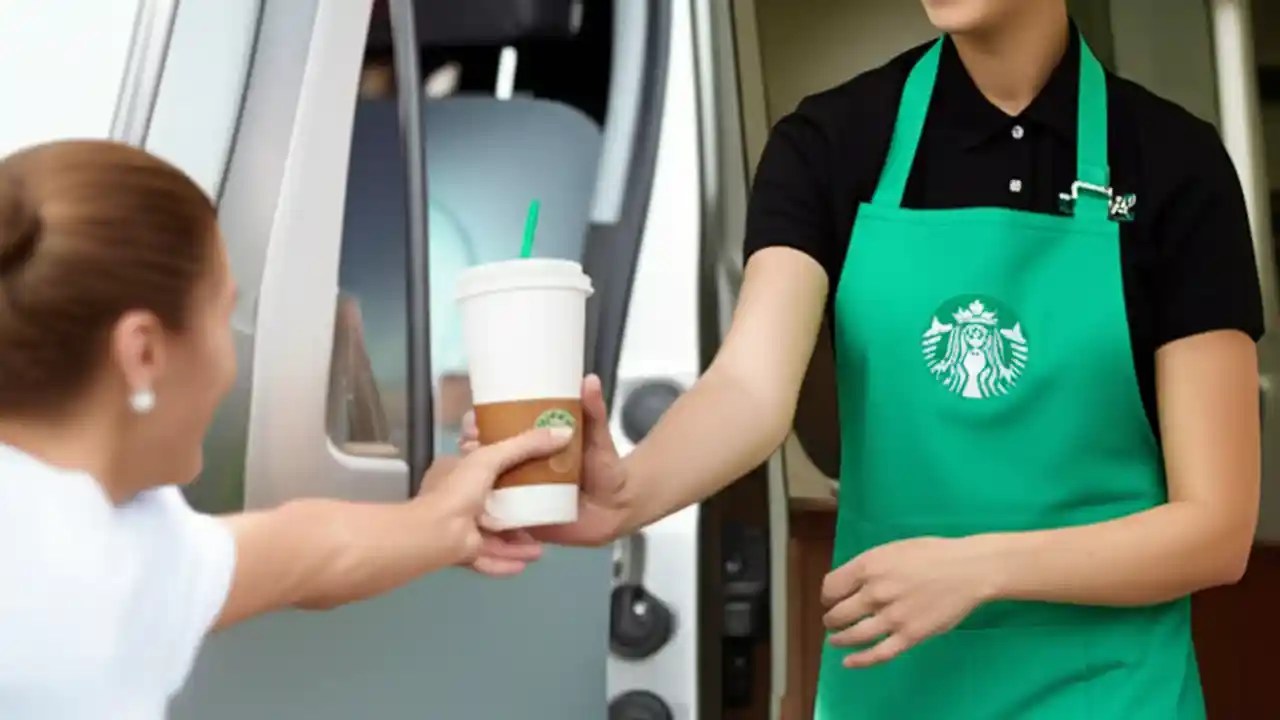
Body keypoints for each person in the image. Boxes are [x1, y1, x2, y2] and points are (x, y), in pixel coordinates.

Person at [466, 0, 1264, 717]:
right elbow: (749, 386)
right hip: (894, 683)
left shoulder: (1172, 166)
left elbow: (1216, 530)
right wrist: (631, 493)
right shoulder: (833, 144)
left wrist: (977, 569)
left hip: (1110, 695)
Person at [0, 139, 570, 719]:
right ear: (143, 352)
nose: (231, 359)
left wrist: (442, 519)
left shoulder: (118, 541)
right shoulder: (87, 581)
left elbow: (308, 549)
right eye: (223, 316)